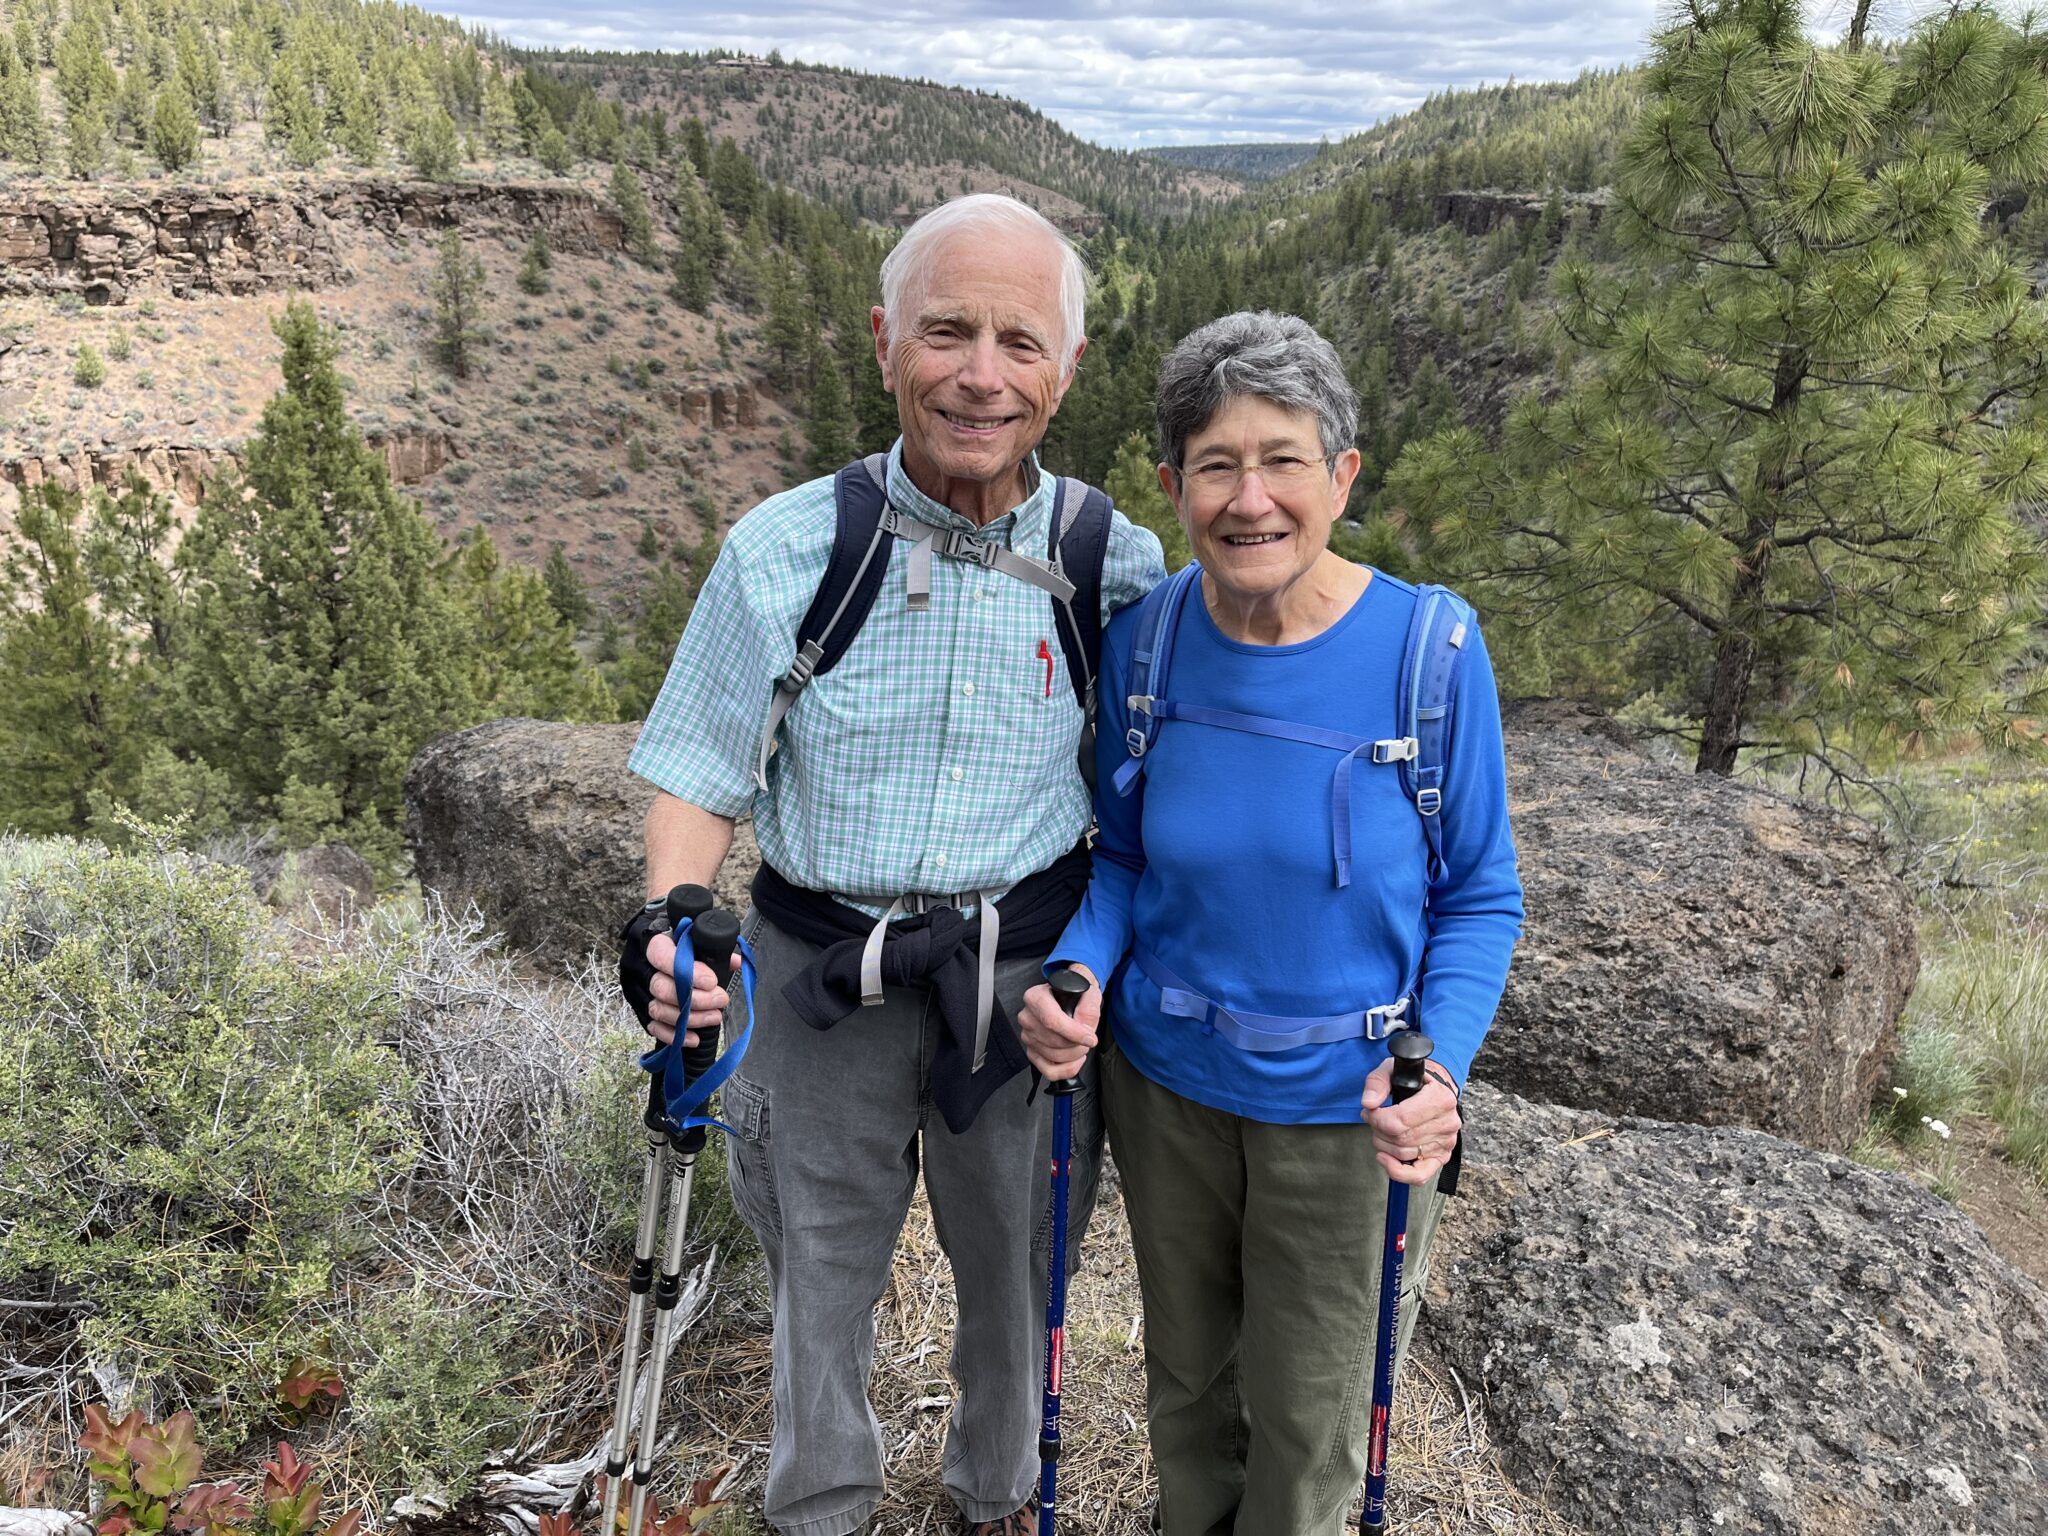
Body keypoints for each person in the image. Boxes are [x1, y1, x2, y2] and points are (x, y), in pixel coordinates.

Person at [620, 194, 1166, 1536]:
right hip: (821, 972)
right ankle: (819, 1510)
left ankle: (997, 1496)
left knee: (1021, 1272)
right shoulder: (787, 550)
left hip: (1025, 980)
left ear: (1067, 370)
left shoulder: (1114, 567)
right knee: (820, 1269)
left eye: (1019, 342)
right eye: (947, 331)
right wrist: (664, 927)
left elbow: (1162, 798)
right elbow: (699, 771)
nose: (982, 374)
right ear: (883, 343)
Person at [1017, 311, 1523, 1536]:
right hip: (1167, 1094)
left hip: (1345, 1115)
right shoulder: (1145, 648)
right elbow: (1124, 860)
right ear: (1172, 485)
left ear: (1340, 475)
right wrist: (1076, 972)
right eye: (1216, 464)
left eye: (1282, 459)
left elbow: (1478, 895)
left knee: (1304, 1418)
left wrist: (1437, 1068)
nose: (1250, 500)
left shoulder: (1430, 655)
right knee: (1185, 1387)